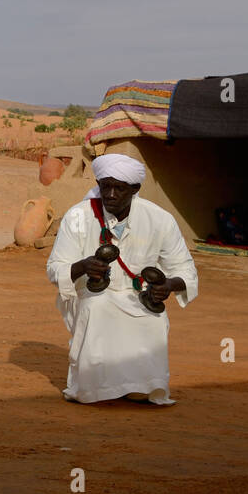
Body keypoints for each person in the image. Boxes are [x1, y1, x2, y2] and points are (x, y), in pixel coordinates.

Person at [46, 153, 198, 405]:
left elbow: (185, 270)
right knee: (99, 306)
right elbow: (55, 268)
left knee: (153, 318)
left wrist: (168, 285)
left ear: (135, 189)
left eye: (120, 188)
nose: (111, 195)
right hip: (91, 295)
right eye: (106, 186)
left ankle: (141, 386)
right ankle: (92, 387)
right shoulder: (78, 216)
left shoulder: (160, 220)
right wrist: (83, 266)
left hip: (139, 296)